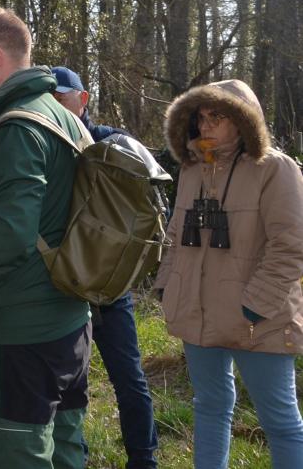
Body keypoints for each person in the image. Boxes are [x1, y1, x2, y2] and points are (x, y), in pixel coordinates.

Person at [0, 8, 92, 468]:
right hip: (66, 320)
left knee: (18, 452)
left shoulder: (16, 127)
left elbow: (10, 230)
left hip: (19, 331)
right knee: (65, 448)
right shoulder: (59, 116)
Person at [156, 79, 303, 468]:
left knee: (280, 422)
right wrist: (168, 287)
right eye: (200, 117)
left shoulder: (275, 168)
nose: (206, 125)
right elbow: (174, 235)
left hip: (259, 319)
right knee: (210, 407)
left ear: (243, 120)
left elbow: (291, 246)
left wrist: (254, 306)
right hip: (197, 313)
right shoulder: (191, 170)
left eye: (217, 116)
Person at [50, 66, 159, 468]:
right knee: (64, 382)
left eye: (63, 98)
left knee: (128, 378)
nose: (56, 106)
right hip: (60, 283)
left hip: (110, 285)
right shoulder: (40, 146)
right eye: (51, 99)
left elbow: (146, 197)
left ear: (83, 99)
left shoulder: (111, 142)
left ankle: (144, 459)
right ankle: (71, 455)